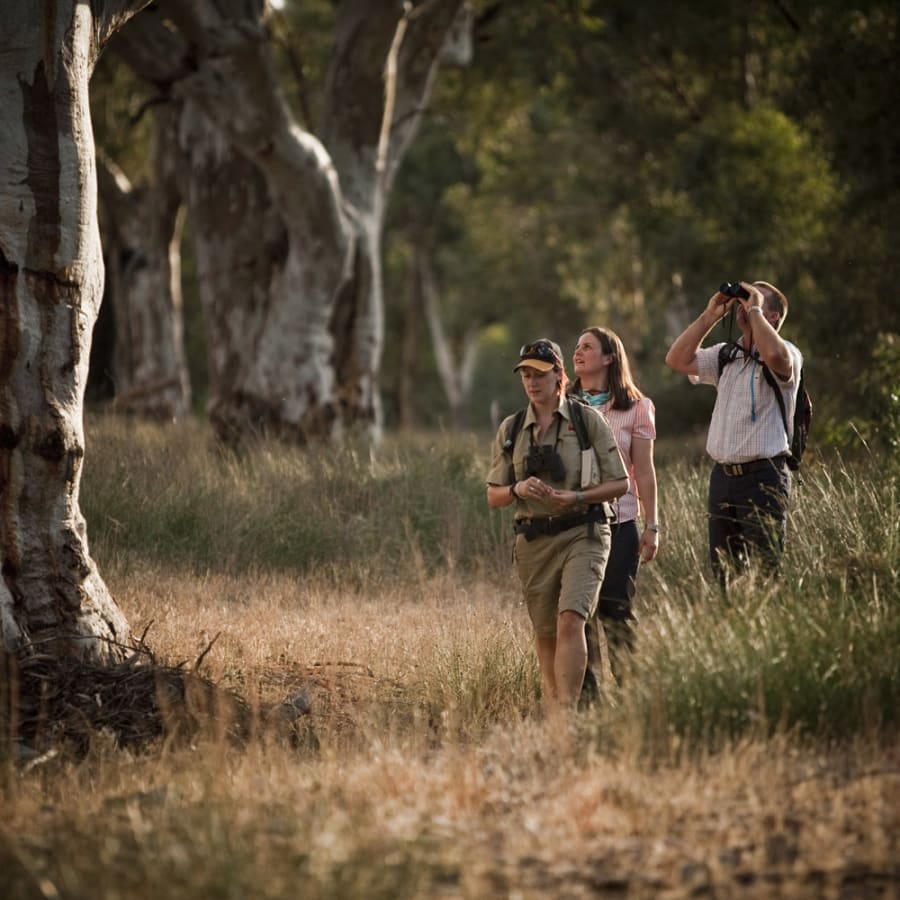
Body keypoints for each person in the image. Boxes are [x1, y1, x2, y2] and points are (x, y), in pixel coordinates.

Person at [486, 339, 629, 710]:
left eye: (541, 374)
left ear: (559, 377)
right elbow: (494, 495)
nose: (533, 383)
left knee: (570, 620)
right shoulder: (512, 428)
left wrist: (577, 497)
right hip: (534, 540)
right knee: (546, 633)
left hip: (585, 532)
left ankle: (567, 712)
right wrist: (517, 487)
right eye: (526, 375)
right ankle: (556, 714)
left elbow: (621, 483)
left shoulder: (586, 420)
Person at [665, 281, 802, 580]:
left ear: (773, 316)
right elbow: (677, 360)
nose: (744, 305)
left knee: (766, 573)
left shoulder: (788, 352)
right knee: (725, 575)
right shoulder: (727, 355)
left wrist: (754, 310)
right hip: (723, 479)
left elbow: (777, 358)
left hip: (764, 478)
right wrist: (709, 316)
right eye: (743, 299)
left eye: (754, 300)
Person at [570, 327, 659, 687]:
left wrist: (652, 525)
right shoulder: (563, 405)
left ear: (609, 357)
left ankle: (628, 690)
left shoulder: (636, 407)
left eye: (587, 347)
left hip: (621, 522)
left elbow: (645, 471)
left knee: (616, 609)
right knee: (580, 611)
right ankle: (588, 694)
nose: (578, 352)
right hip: (574, 523)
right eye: (576, 347)